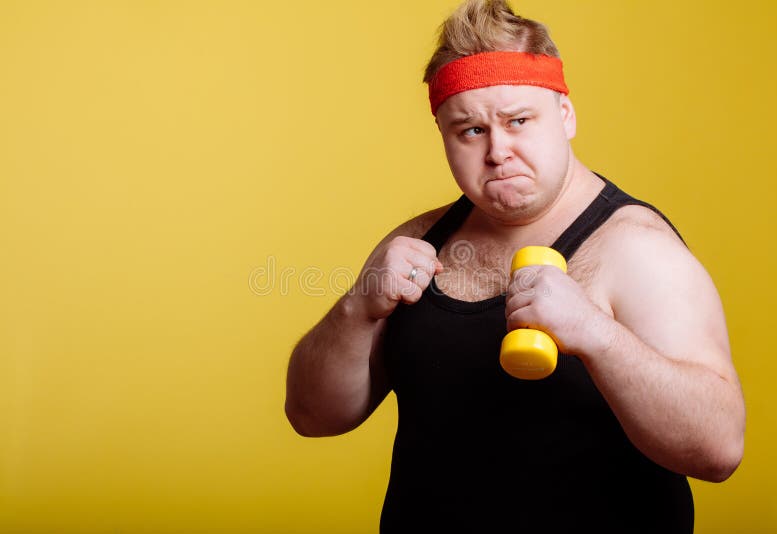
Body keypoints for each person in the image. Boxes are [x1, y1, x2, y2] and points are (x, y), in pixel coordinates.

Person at [285, 0, 746, 531]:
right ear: (444, 136)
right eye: (470, 131)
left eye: (518, 120)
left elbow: (718, 449)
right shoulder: (418, 241)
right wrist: (355, 308)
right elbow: (311, 416)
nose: (498, 150)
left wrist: (594, 333)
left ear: (566, 115)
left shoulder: (636, 248)